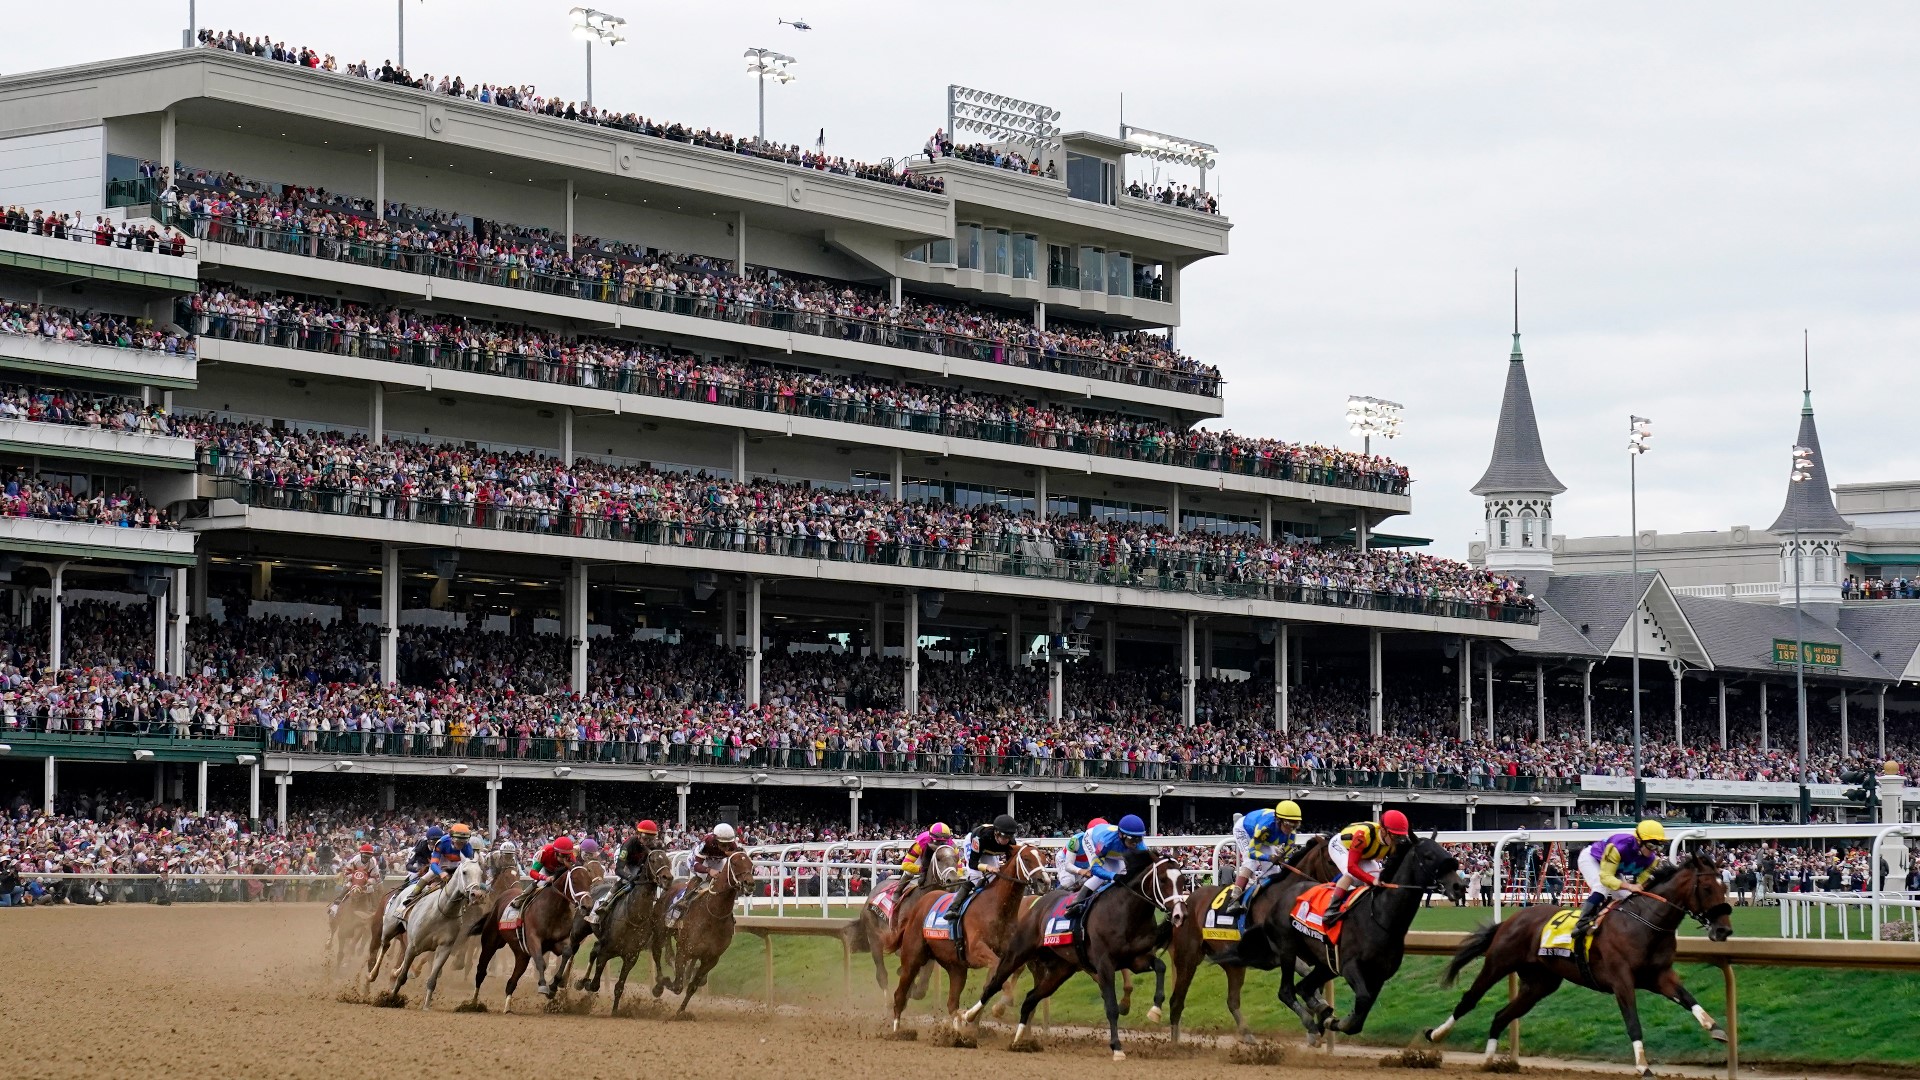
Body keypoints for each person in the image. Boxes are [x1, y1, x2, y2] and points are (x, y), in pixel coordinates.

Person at [1573, 819, 1666, 946]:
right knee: (1601, 886)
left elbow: (1639, 884)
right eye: (1651, 846)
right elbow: (1606, 878)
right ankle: (1581, 923)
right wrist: (1628, 886)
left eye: (1659, 846)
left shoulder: (1652, 860)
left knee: (1628, 897)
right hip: (1592, 859)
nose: (1653, 851)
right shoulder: (1619, 846)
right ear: (1639, 841)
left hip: (1613, 869)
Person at [1322, 809, 1410, 927]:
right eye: (1394, 836)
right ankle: (1331, 910)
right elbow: (1352, 867)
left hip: (1364, 852)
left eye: (1400, 837)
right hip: (1341, 846)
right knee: (1350, 874)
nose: (1397, 841)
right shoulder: (1363, 835)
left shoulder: (1392, 840)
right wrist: (1372, 880)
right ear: (1383, 831)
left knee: (1377, 876)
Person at [1220, 799, 1303, 916]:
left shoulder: (1291, 834)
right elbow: (1252, 853)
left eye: (1294, 825)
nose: (1290, 829)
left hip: (1265, 838)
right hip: (1245, 830)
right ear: (1279, 821)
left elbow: (1286, 855)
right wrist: (1270, 857)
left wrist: (1280, 858)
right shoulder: (1265, 827)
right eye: (1288, 825)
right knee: (1251, 862)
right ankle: (1234, 898)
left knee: (1274, 869)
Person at [586, 820, 661, 928]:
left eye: (650, 839)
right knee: (623, 881)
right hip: (627, 865)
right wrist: (629, 876)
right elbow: (618, 870)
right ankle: (602, 905)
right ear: (638, 835)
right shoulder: (628, 844)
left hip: (642, 866)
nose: (647, 842)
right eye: (645, 838)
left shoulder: (653, 845)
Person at [1069, 814, 1148, 912]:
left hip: (1115, 848)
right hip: (1092, 841)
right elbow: (1095, 869)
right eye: (1132, 839)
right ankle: (1077, 903)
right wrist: (1113, 876)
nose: (1135, 844)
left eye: (1139, 839)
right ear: (1121, 835)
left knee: (1124, 875)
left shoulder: (1140, 845)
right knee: (1102, 876)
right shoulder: (1105, 842)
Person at [667, 823, 742, 925]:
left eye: (728, 844)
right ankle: (679, 907)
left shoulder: (733, 845)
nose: (726, 847)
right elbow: (697, 865)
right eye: (723, 844)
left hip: (718, 861)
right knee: (697, 885)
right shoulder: (707, 843)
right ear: (716, 840)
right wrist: (709, 870)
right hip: (698, 862)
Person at [951, 814, 1017, 912]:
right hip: (974, 844)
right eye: (1004, 837)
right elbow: (972, 864)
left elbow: (1009, 863)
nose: (1006, 840)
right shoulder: (980, 838)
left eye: (1009, 837)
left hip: (989, 850)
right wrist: (987, 867)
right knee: (975, 876)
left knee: (994, 877)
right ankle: (953, 908)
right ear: (996, 833)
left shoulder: (1011, 843)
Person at [895, 822, 954, 905]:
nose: (940, 845)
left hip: (940, 860)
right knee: (909, 872)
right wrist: (922, 869)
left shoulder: (951, 844)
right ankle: (898, 891)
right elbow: (905, 864)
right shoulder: (921, 842)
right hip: (922, 858)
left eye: (943, 842)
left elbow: (958, 866)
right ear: (931, 838)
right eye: (937, 842)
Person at [517, 834, 577, 903]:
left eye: (567, 856)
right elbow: (532, 873)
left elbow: (574, 873)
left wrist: (569, 865)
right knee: (540, 883)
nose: (565, 858)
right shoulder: (545, 853)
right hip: (545, 868)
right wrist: (545, 878)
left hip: (559, 870)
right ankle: (521, 899)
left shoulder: (571, 856)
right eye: (562, 855)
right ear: (555, 852)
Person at [1055, 818, 1108, 891]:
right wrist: (1080, 871)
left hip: (1084, 865)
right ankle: (1051, 896)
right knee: (1068, 883)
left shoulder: (1106, 842)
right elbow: (1068, 866)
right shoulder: (1076, 840)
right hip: (1065, 860)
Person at [328, 842, 380, 916]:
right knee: (348, 885)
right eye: (364, 856)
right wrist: (353, 879)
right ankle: (336, 906)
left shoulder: (373, 863)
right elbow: (347, 871)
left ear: (371, 856)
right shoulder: (355, 860)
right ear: (361, 854)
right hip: (354, 878)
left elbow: (375, 877)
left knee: (371, 888)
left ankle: (375, 909)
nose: (366, 858)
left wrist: (367, 882)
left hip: (367, 879)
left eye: (368, 856)